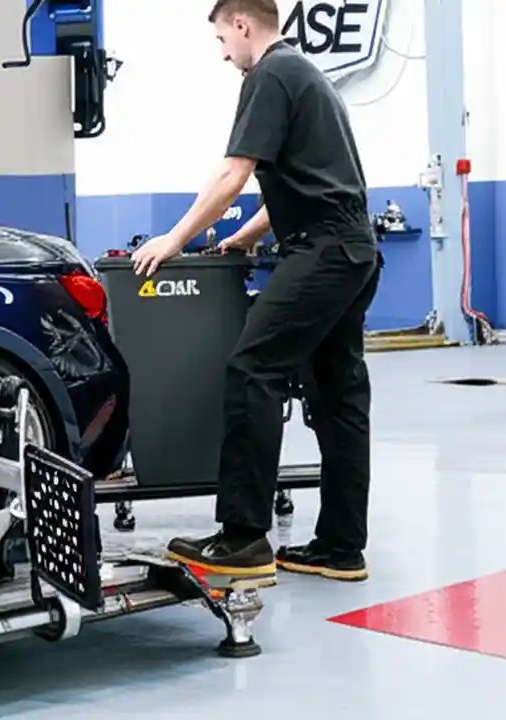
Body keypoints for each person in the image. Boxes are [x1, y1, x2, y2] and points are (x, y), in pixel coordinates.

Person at [130, 0, 382, 582]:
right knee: (339, 398)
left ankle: (243, 538)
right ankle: (342, 547)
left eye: (222, 40)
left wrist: (173, 239)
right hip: (353, 250)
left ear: (243, 26)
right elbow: (299, 187)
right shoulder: (307, 74)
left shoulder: (267, 74)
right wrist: (241, 238)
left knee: (252, 369)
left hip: (321, 251)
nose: (224, 54)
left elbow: (233, 173)